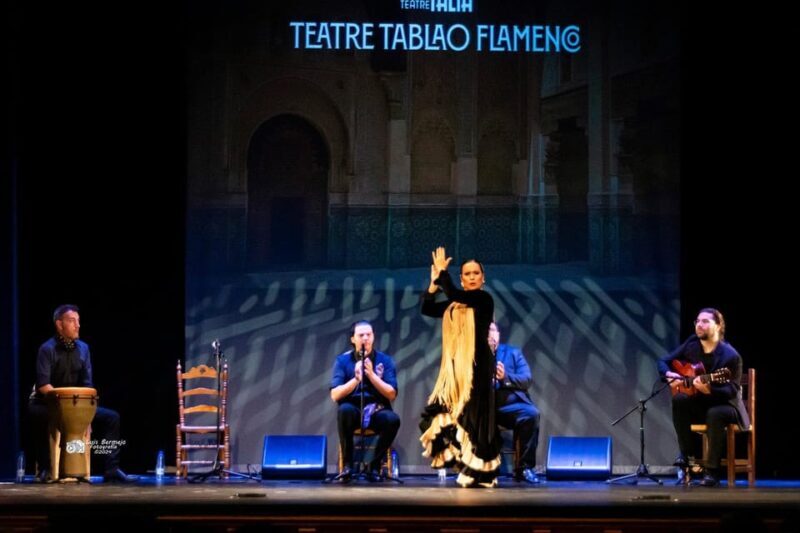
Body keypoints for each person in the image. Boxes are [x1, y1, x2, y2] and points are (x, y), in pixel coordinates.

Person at [420, 247, 502, 488]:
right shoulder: (454, 305)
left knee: (475, 419)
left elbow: (454, 292)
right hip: (455, 371)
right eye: (467, 274)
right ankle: (464, 463)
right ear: (463, 278)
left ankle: (479, 471)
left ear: (483, 277)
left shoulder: (483, 300)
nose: (472, 277)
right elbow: (427, 308)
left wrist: (443, 273)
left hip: (478, 368)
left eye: (476, 273)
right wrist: (434, 284)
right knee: (438, 413)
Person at [28, 304, 136, 482]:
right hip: (46, 403)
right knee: (40, 417)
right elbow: (43, 385)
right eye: (72, 321)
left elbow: (87, 385)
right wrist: (65, 406)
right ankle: (46, 467)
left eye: (78, 321)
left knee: (112, 418)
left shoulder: (83, 349)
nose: (77, 325)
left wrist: (86, 413)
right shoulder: (47, 349)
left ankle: (111, 468)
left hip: (76, 406)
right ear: (59, 324)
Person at [657, 307, 749, 487]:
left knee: (715, 413)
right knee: (680, 399)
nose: (699, 325)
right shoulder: (692, 343)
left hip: (727, 405)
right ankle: (688, 456)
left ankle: (711, 472)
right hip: (701, 403)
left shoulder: (731, 356)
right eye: (697, 321)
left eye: (705, 321)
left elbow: (732, 390)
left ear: (718, 325)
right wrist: (669, 374)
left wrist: (710, 390)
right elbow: (663, 360)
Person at [329, 320, 400, 482]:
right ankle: (348, 466)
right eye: (361, 335)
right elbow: (335, 395)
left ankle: (373, 467)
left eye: (369, 334)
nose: (365, 338)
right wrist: (356, 379)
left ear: (373, 337)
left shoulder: (385, 361)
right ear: (353, 339)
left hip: (377, 410)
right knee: (344, 410)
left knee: (392, 419)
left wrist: (372, 375)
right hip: (353, 410)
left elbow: (391, 393)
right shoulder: (342, 361)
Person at [488, 321, 541, 484]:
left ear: (498, 334)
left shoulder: (512, 353)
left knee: (531, 414)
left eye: (493, 330)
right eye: (486, 331)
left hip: (509, 407)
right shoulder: (474, 354)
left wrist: (505, 378)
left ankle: (524, 468)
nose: (490, 335)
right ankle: (480, 467)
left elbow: (526, 379)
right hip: (484, 408)